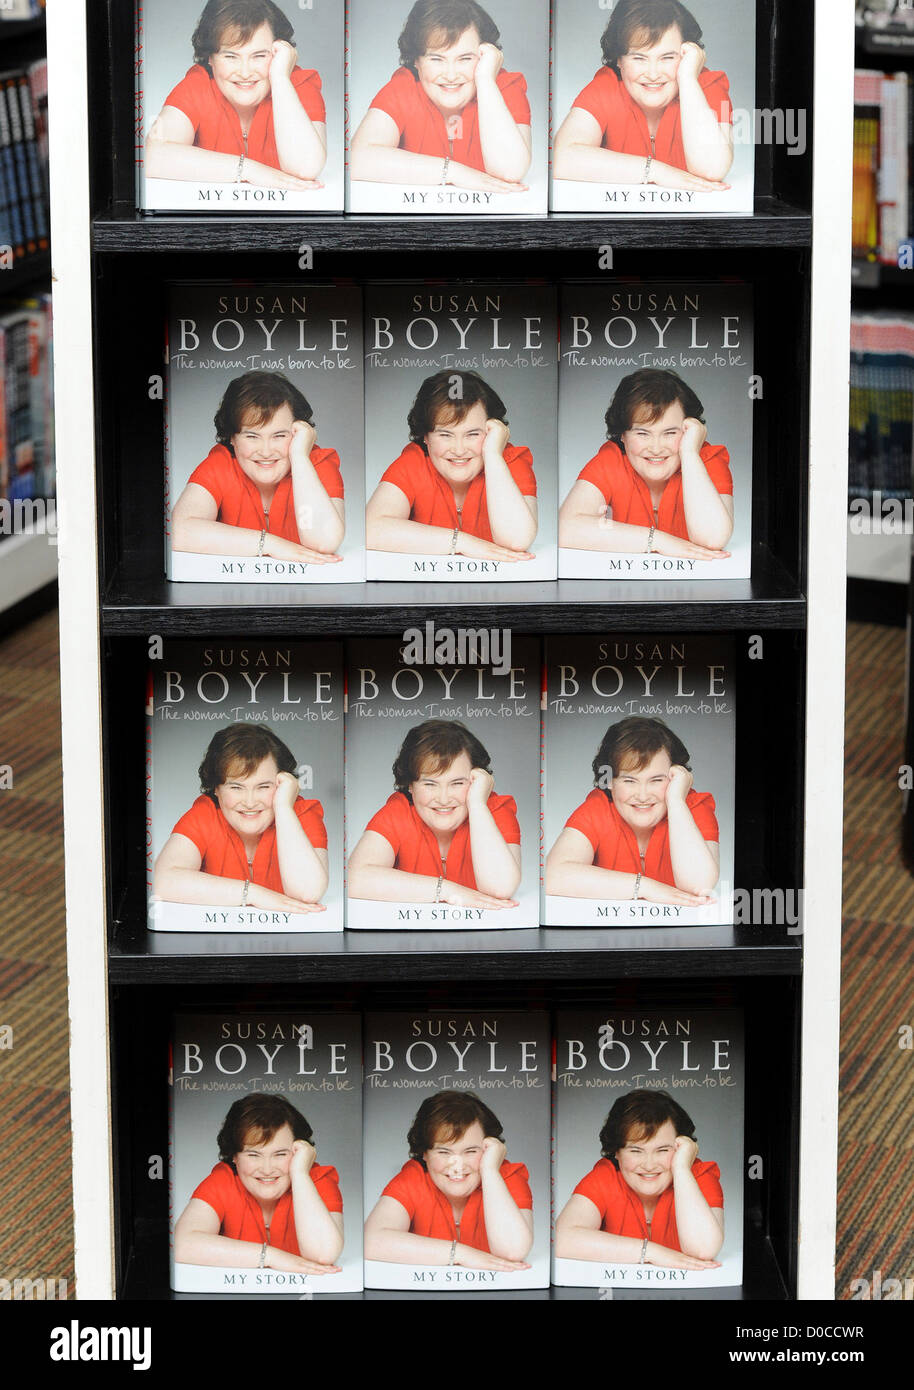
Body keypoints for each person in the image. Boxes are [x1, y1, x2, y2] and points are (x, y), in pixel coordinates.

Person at [350, 0, 531, 192]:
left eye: (465, 58)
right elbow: (356, 159)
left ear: (485, 58)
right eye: (436, 59)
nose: (451, 75)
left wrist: (486, 80)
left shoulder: (503, 88)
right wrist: (454, 172)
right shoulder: (404, 88)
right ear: (416, 61)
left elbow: (510, 171)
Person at [553, 0, 733, 191]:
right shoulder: (607, 87)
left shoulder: (706, 87)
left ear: (688, 56)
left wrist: (688, 79)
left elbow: (712, 170)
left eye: (668, 57)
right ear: (619, 60)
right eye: (639, 58)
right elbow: (560, 158)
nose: (653, 74)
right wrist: (656, 171)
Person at [145, 0, 327, 190]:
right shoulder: (198, 86)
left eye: (259, 56)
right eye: (230, 56)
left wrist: (280, 78)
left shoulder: (297, 85)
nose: (245, 72)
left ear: (280, 54)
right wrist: (249, 170)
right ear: (210, 58)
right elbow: (152, 156)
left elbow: (306, 168)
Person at [558, 368, 733, 562]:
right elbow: (564, 528)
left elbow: (712, 540)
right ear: (622, 435)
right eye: (642, 433)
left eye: (670, 433)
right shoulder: (611, 462)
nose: (656, 448)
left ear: (689, 431)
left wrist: (690, 453)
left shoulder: (706, 461)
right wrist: (659, 541)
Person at [171, 370, 345, 565]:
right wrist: (271, 544)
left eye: (280, 435)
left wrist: (299, 457)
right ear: (232, 438)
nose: (266, 451)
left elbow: (323, 543)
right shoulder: (221, 464)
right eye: (252, 436)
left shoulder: (317, 464)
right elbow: (179, 532)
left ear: (298, 434)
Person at [154, 723, 329, 915]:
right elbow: (163, 881)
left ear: (283, 784)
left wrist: (283, 807)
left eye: (264, 786)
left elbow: (308, 893)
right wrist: (254, 894)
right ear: (216, 788)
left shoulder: (301, 814)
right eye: (236, 787)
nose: (250, 802)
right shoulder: (206, 814)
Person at [366, 369, 537, 564]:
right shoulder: (414, 462)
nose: (459, 449)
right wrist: (462, 542)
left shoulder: (510, 462)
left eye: (473, 434)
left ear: (492, 432)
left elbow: (517, 540)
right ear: (425, 436)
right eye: (445, 435)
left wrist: (492, 454)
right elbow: (370, 529)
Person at [545, 716, 719, 907]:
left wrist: (676, 801)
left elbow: (700, 887)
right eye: (629, 781)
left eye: (657, 780)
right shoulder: (598, 809)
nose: (643, 795)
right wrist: (645, 887)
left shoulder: (692, 808)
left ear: (675, 778)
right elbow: (553, 876)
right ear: (609, 781)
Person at [348, 719, 521, 910]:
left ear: (476, 781)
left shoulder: (494, 811)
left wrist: (478, 804)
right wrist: (447, 891)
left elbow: (501, 888)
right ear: (410, 786)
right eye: (430, 784)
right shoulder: (399, 812)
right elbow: (354, 879)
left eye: (458, 783)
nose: (444, 798)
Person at [555, 1089, 724, 1269]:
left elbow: (703, 1251)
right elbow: (560, 1239)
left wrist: (681, 1168)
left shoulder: (698, 1176)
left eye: (663, 1150)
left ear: (681, 1148)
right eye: (635, 1151)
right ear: (616, 1152)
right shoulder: (606, 1177)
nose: (649, 1165)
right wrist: (652, 1252)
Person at [174, 1094, 344, 1272]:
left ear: (299, 1152)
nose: (267, 1169)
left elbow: (323, 1255)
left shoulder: (316, 1181)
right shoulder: (223, 1182)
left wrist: (300, 1173)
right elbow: (181, 1244)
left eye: (280, 1154)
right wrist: (271, 1256)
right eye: (253, 1155)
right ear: (234, 1156)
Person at [364, 1091, 534, 1268]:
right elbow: (370, 1241)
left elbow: (513, 1252)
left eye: (471, 1151)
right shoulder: (414, 1179)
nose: (458, 1166)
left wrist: (490, 1171)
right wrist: (461, 1254)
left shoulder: (506, 1177)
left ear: (489, 1149)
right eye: (444, 1152)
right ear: (424, 1153)